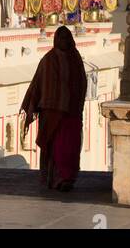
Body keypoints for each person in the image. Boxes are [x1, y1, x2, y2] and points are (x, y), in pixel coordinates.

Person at [20, 25, 87, 191]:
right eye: (61, 38)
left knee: (70, 148)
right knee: (54, 147)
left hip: (71, 113)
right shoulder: (48, 60)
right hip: (52, 112)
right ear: (56, 40)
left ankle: (67, 178)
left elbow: (82, 83)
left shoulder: (75, 59)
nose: (63, 42)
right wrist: (31, 107)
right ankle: (56, 179)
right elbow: (38, 84)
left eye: (66, 38)